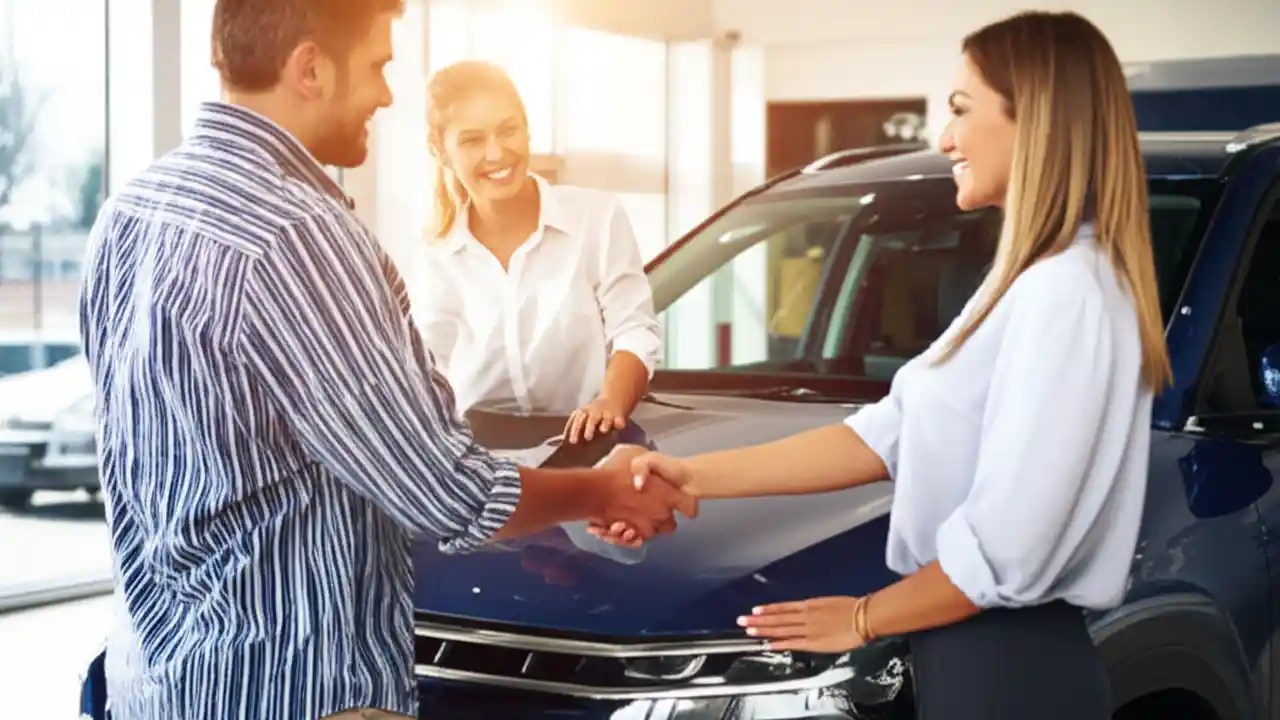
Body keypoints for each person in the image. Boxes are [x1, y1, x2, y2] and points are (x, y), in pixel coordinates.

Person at [78, 2, 693, 719]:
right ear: (310, 68)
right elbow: (447, 491)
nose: (386, 94)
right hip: (290, 689)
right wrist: (599, 491)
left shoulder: (131, 211)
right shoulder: (300, 234)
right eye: (376, 66)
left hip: (152, 679)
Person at [593, 11, 1168, 719]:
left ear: (1036, 121)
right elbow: (886, 435)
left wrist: (863, 619)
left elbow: (1011, 540)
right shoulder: (1021, 282)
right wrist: (694, 476)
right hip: (967, 654)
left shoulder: (1069, 292)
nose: (945, 137)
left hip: (1007, 664)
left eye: (961, 110)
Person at [407, 60, 661, 445]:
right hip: (480, 449)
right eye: (472, 140)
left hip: (589, 435)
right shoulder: (437, 250)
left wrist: (611, 401)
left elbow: (634, 330)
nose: (497, 154)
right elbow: (426, 365)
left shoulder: (596, 218)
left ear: (527, 129)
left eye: (508, 130)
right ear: (439, 150)